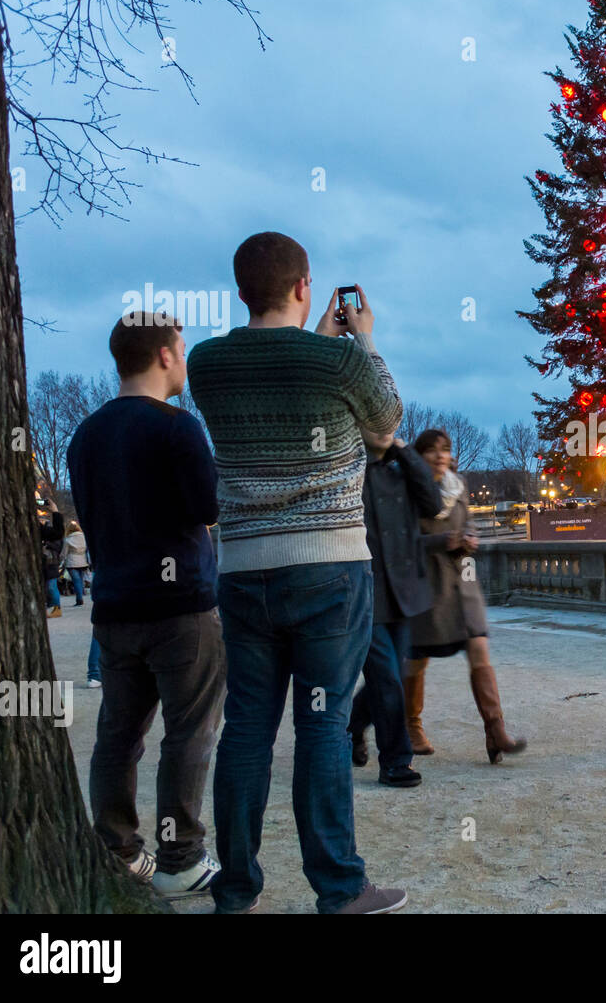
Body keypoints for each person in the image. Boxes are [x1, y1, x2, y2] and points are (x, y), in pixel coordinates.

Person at [188, 231, 407, 915]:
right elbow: (386, 421)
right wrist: (361, 338)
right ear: (306, 285)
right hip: (328, 567)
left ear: (241, 288)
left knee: (249, 725)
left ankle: (235, 886)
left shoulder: (206, 364)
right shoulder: (339, 361)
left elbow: (275, 374)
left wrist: (316, 339)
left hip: (246, 567)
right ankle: (339, 886)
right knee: (323, 723)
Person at [67, 314, 226, 897]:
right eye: (181, 351)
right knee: (189, 734)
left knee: (119, 734)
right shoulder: (177, 428)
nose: (184, 361)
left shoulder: (84, 435)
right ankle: (181, 858)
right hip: (180, 605)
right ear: (164, 355)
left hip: (114, 608)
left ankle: (116, 849)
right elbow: (207, 507)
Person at [407, 428, 527, 764]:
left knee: (478, 647)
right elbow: (399, 543)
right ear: (419, 456)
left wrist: (470, 537)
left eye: (444, 449)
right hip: (427, 587)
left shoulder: (457, 485)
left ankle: (495, 730)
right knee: (415, 661)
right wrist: (439, 542)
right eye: (431, 450)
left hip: (463, 584)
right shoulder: (408, 490)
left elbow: (469, 523)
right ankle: (411, 725)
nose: (440, 455)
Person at [347, 426, 442, 787]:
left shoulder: (402, 468)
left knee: (391, 679)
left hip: (402, 593)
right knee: (386, 678)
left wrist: (404, 450)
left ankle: (352, 726)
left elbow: (433, 504)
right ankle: (395, 762)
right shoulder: (349, 468)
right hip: (363, 591)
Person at [39, 501, 64, 618]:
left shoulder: (45, 531)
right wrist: (55, 511)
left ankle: (56, 608)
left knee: (51, 586)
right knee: (49, 586)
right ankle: (52, 607)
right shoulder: (41, 528)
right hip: (47, 561)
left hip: (51, 561)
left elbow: (58, 540)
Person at [61, 520, 90, 607]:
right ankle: (81, 596)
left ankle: (79, 599)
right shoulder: (84, 537)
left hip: (72, 562)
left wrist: (61, 560)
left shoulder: (68, 539)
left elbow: (64, 553)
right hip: (83, 561)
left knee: (76, 581)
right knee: (80, 580)